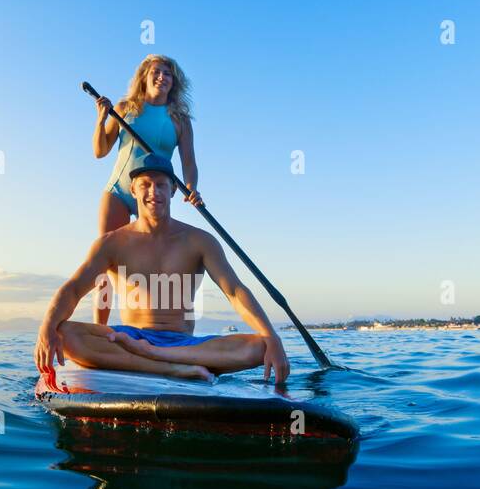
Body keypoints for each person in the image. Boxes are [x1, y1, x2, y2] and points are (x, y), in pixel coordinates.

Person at [35, 152, 290, 383]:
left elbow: (234, 291)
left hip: (184, 344)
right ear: (133, 190)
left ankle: (156, 356)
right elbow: (74, 289)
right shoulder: (111, 243)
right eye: (145, 184)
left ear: (172, 191)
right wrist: (47, 327)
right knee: (65, 333)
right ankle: (171, 369)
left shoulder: (199, 240)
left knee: (259, 346)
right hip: (130, 339)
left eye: (161, 185)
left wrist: (271, 336)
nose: (153, 192)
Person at [90, 55, 202, 324]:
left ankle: (152, 325)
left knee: (149, 263)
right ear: (144, 76)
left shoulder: (180, 120)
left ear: (174, 82)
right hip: (119, 192)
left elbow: (188, 161)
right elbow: (99, 151)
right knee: (104, 261)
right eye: (156, 71)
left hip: (156, 196)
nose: (162, 77)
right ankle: (99, 330)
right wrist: (101, 119)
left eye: (168, 73)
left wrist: (191, 188)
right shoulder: (126, 108)